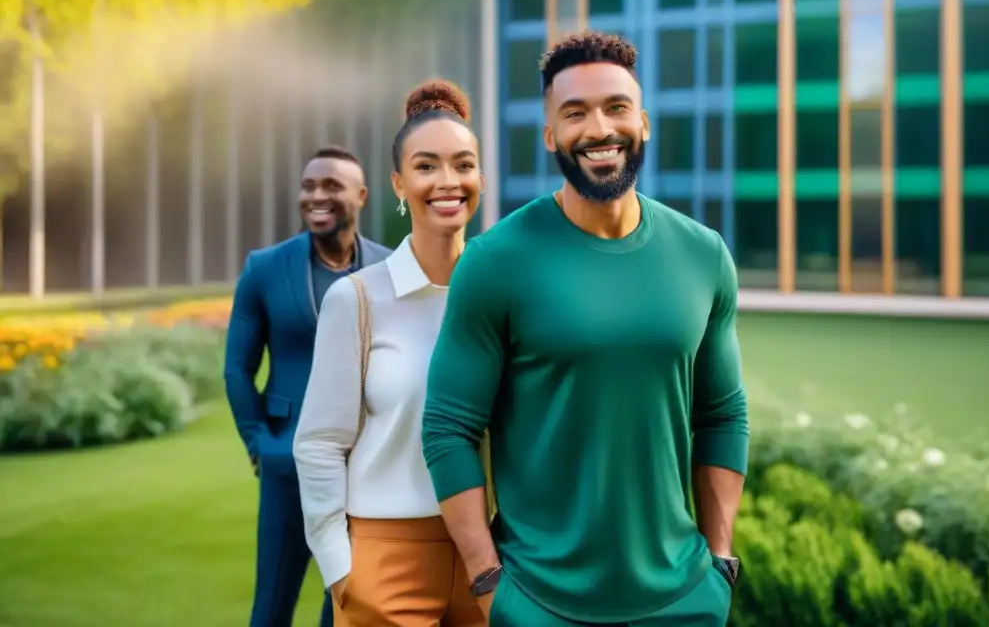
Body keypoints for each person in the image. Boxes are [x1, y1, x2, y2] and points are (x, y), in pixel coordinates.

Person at [422, 31, 749, 626]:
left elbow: (723, 415)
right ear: (550, 135)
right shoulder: (496, 261)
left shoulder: (704, 255)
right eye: (575, 113)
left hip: (685, 601)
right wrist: (489, 582)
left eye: (616, 107)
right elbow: (447, 429)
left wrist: (720, 562)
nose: (599, 129)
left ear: (643, 122)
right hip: (539, 605)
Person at [294, 80, 487, 627]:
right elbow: (318, 444)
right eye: (426, 167)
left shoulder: (502, 296)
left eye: (463, 165)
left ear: (481, 178)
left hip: (491, 559)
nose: (447, 182)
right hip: (386, 558)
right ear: (398, 184)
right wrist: (342, 571)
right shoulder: (356, 298)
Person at [225, 145, 391, 627]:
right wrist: (259, 443)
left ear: (360, 196)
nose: (317, 195)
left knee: (347, 604)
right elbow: (237, 369)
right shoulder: (264, 268)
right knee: (272, 605)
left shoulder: (388, 269)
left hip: (366, 466)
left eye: (332, 186)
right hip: (286, 461)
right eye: (309, 186)